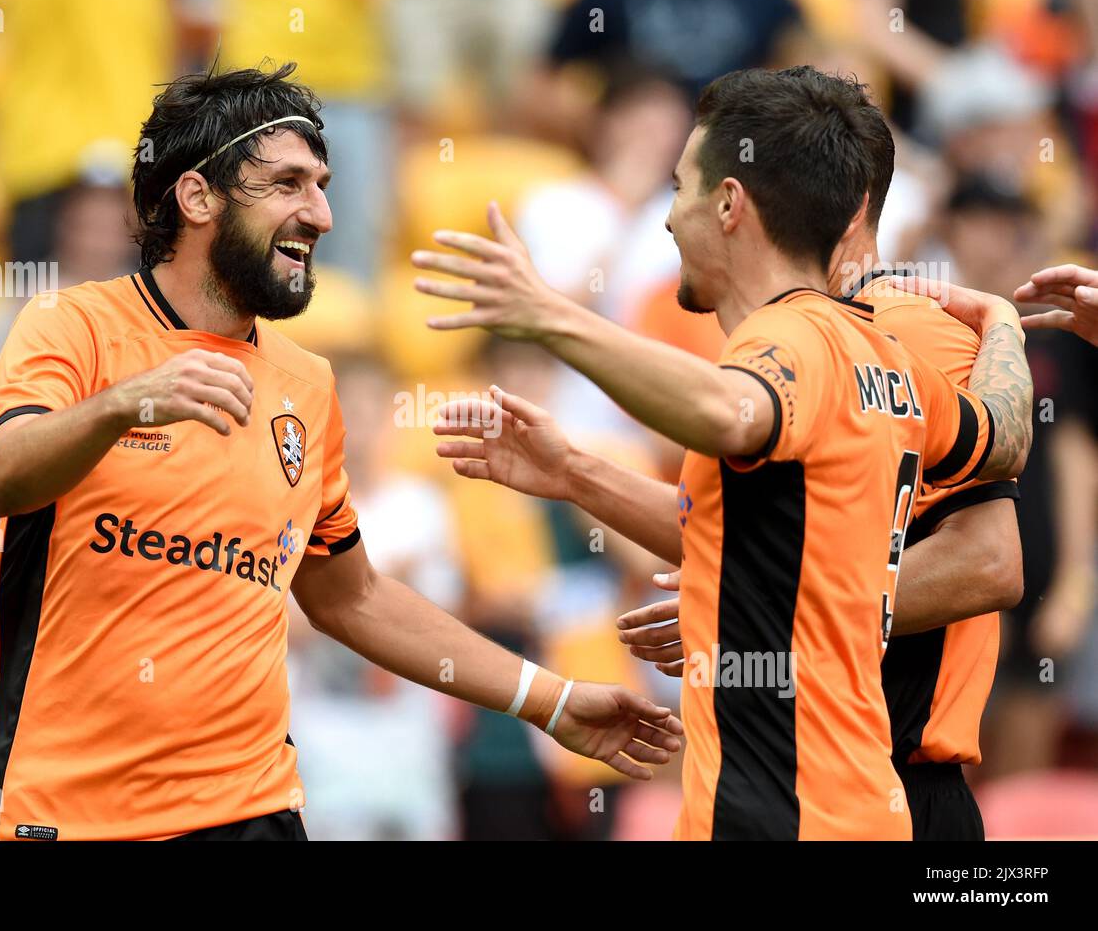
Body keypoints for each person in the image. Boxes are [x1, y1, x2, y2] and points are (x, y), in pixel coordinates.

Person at [0, 62, 682, 842]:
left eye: (322, 185)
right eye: (288, 184)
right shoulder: (71, 326)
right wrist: (122, 404)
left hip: (250, 813)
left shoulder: (306, 386)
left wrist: (547, 698)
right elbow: (5, 477)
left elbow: (352, 598)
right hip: (67, 816)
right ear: (197, 196)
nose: (322, 214)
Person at [414, 66, 1032, 839]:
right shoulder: (878, 357)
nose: (668, 219)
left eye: (680, 189)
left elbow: (733, 413)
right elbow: (999, 433)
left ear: (731, 204)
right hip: (865, 802)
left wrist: (551, 316)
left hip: (800, 806)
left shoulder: (798, 338)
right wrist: (576, 473)